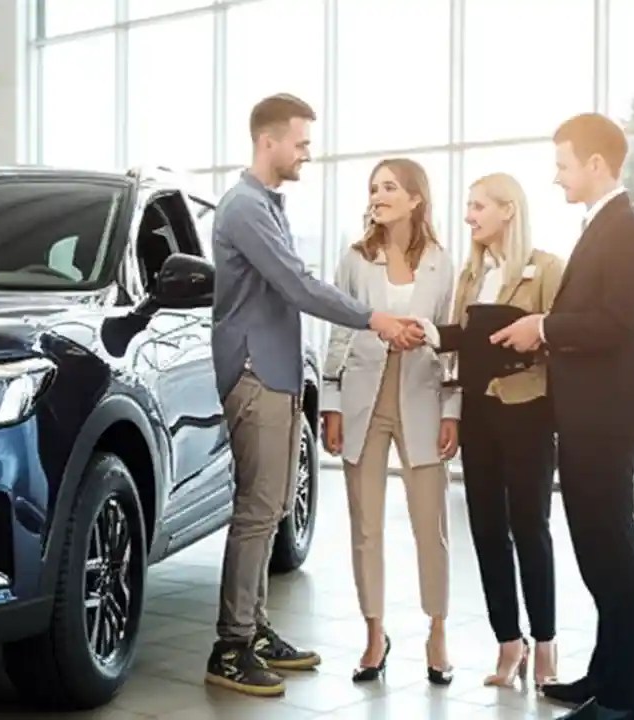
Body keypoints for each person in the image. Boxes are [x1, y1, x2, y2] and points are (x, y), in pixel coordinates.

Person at [206, 93, 423, 698]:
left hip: (275, 373)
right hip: (255, 372)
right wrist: (374, 318)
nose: (307, 153)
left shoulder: (266, 206)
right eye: (300, 142)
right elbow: (297, 286)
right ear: (268, 141)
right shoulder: (245, 208)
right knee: (257, 510)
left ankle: (254, 629)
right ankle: (230, 647)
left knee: (273, 507)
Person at [490, 112, 634, 720]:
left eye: (563, 164)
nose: (557, 176)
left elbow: (619, 324)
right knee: (596, 550)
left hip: (607, 419)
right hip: (590, 416)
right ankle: (605, 675)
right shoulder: (604, 226)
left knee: (613, 552)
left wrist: (544, 327)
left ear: (596, 164)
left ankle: (624, 699)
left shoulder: (627, 231)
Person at [319, 158, 458, 687]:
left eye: (390, 187)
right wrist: (331, 402)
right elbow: (338, 329)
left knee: (431, 525)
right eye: (374, 188)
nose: (378, 195)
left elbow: (452, 338)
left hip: (423, 395)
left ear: (415, 199)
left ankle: (437, 631)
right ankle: (374, 634)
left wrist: (453, 410)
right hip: (363, 398)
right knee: (365, 526)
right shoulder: (356, 258)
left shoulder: (442, 262)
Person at [427, 173, 564, 689]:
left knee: (531, 527)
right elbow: (461, 345)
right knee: (486, 529)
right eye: (468, 206)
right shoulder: (471, 276)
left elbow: (563, 339)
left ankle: (546, 643)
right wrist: (426, 335)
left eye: (479, 206)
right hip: (479, 414)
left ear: (509, 209)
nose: (469, 216)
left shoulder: (548, 268)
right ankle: (509, 642)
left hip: (529, 413)